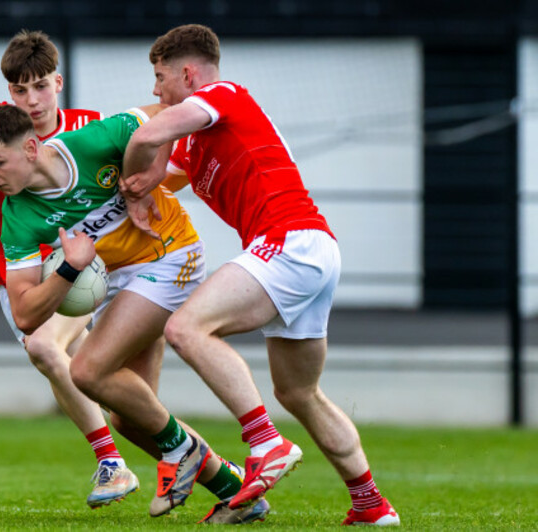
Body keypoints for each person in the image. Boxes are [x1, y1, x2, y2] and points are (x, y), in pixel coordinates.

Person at [120, 24, 400, 527]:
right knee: (299, 392)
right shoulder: (194, 144)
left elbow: (147, 133)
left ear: (188, 73)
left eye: (160, 78)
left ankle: (264, 441)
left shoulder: (223, 94)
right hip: (310, 250)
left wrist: (143, 164)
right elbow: (152, 172)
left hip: (289, 241)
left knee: (185, 328)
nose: (155, 91)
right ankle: (371, 504)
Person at [0, 103, 270, 524]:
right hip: (119, 283)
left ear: (32, 148)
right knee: (130, 420)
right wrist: (70, 269)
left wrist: (147, 181)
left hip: (170, 256)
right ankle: (236, 491)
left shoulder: (93, 140)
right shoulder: (18, 213)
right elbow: (23, 314)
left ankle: (182, 451)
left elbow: (161, 119)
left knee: (88, 371)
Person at [0, 30, 135, 509]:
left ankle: (113, 464)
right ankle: (201, 466)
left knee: (45, 348)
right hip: (16, 275)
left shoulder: (87, 126)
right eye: (20, 89)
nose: (32, 100)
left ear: (59, 82)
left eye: (40, 86)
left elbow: (137, 159)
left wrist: (141, 190)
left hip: (87, 272)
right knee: (102, 390)